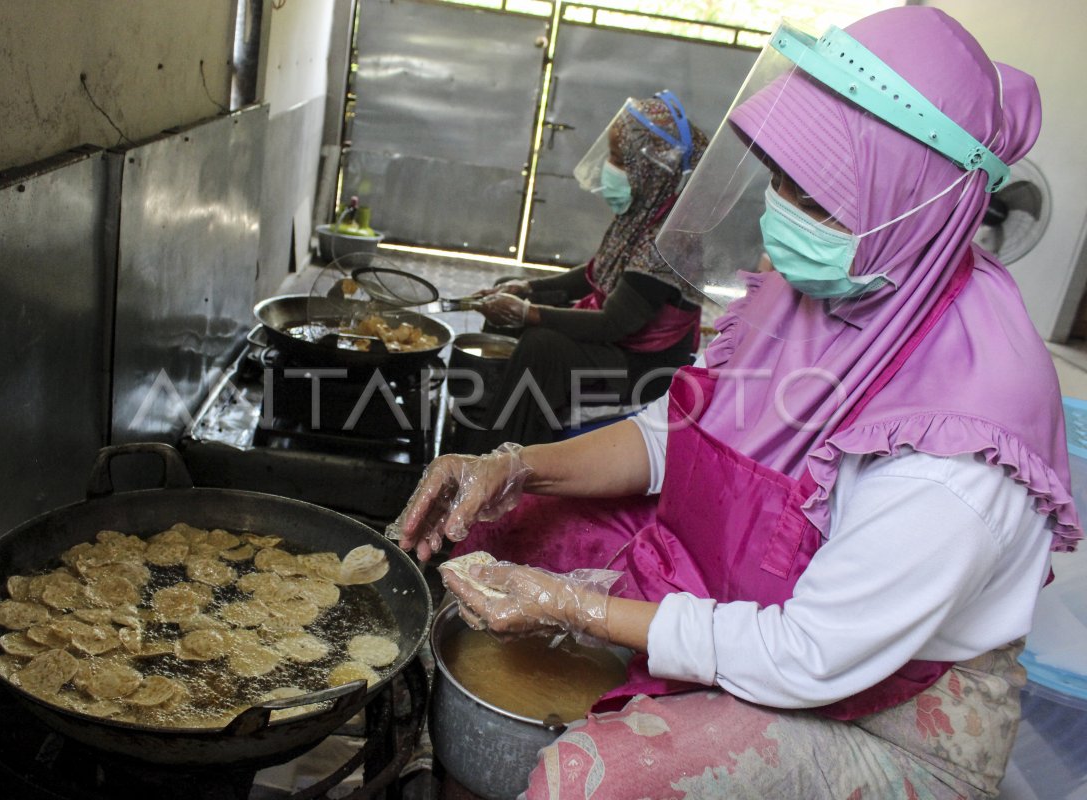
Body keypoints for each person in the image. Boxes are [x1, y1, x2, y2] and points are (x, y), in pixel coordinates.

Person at [389, 7, 1082, 799]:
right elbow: (673, 436)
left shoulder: (957, 446)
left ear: (919, 204)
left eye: (818, 201)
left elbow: (806, 655)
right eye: (784, 178)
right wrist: (513, 466)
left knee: (593, 778)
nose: (780, 212)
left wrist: (574, 607)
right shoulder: (823, 291)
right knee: (504, 528)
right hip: (753, 589)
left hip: (879, 708)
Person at [459, 91, 710, 453]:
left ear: (651, 168)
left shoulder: (670, 241)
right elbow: (595, 273)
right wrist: (525, 288)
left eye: (618, 159)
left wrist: (529, 314)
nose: (608, 167)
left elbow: (613, 324)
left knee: (542, 347)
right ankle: (491, 421)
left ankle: (508, 461)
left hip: (643, 368)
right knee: (508, 296)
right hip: (621, 343)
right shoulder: (643, 215)